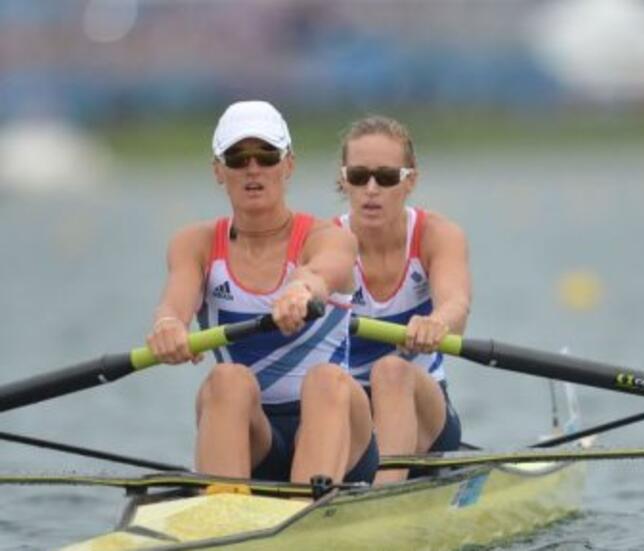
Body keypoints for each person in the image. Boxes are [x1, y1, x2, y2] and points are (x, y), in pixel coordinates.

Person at [146, 100, 377, 487]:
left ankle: (303, 514)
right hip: (253, 438)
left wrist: (301, 290)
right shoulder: (195, 244)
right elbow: (174, 304)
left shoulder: (329, 236)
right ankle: (223, 514)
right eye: (237, 158)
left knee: (327, 380)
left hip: (339, 433)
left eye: (266, 155)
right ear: (218, 170)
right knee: (226, 380)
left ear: (288, 165)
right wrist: (168, 326)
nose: (253, 168)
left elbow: (324, 269)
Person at [333, 116, 471, 484]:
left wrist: (436, 323)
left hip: (425, 411)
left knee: (390, 371)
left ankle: (382, 506)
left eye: (387, 177)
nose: (372, 189)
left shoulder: (436, 235)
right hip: (351, 414)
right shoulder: (325, 242)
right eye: (360, 176)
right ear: (344, 179)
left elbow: (456, 304)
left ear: (410, 180)